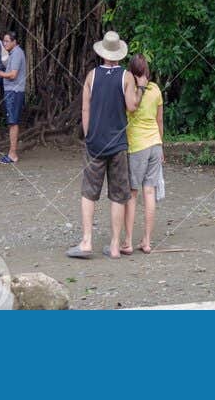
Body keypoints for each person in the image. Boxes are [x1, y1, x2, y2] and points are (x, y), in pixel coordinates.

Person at [66, 30, 139, 260]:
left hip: (95, 142)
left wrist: (89, 135)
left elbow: (85, 108)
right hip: (118, 143)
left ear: (103, 53)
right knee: (118, 194)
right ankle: (115, 245)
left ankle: (86, 241)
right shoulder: (127, 77)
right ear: (119, 53)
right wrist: (139, 89)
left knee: (89, 191)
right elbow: (131, 107)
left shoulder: (91, 76)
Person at [124, 54, 163, 256]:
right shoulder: (156, 89)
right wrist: (162, 146)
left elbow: (130, 108)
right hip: (155, 144)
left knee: (132, 194)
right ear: (146, 71)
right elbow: (159, 121)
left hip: (137, 146)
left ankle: (128, 242)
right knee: (150, 193)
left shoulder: (130, 91)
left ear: (131, 72)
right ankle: (146, 242)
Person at [0, 28, 26, 164]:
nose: (5, 44)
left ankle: (13, 154)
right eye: (4, 41)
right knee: (12, 122)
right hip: (12, 91)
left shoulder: (16, 54)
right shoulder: (14, 53)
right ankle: (11, 152)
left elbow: (13, 74)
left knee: (13, 123)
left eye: (7, 41)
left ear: (15, 42)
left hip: (14, 92)